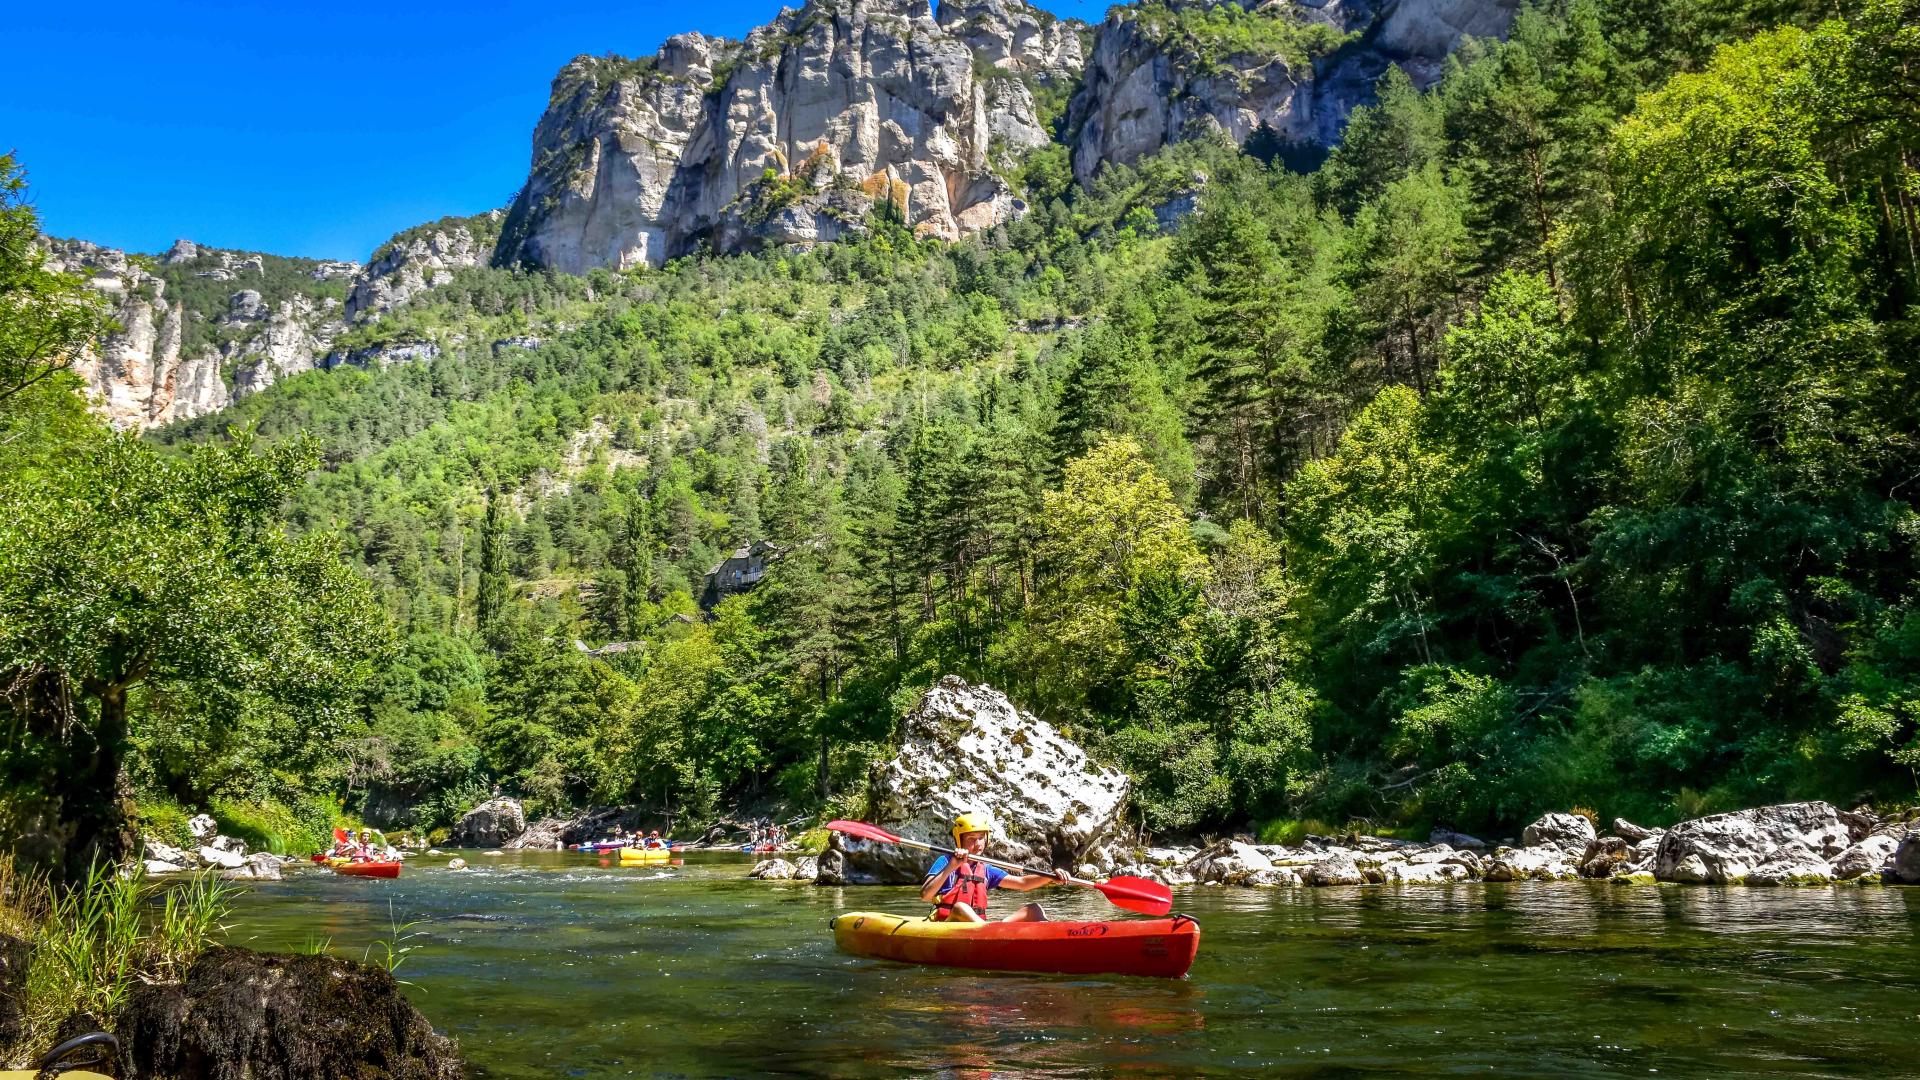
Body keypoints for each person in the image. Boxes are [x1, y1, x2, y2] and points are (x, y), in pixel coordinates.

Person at [919, 811, 1069, 923]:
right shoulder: (945, 861)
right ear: (959, 840)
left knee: (1034, 909)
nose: (977, 844)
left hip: (979, 928)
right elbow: (925, 895)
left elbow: (1023, 883)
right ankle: (988, 932)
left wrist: (1050, 877)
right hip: (947, 925)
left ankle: (1053, 938)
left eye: (981, 838)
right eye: (971, 839)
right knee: (961, 908)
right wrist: (952, 866)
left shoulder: (985, 870)